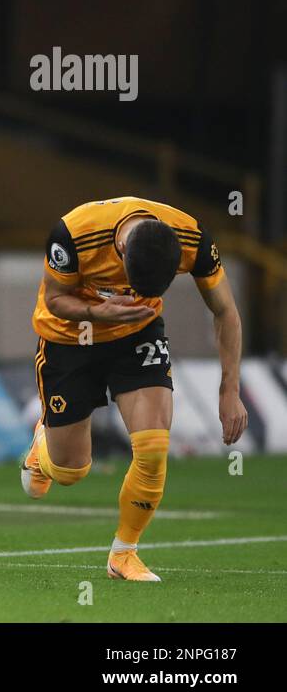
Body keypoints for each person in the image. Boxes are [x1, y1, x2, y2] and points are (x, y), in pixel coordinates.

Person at [23, 196, 248, 581]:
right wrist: (97, 311)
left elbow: (225, 310)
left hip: (137, 333)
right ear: (122, 249)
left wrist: (230, 390)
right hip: (70, 338)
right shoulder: (74, 233)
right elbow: (55, 298)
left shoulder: (191, 238)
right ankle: (43, 444)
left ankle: (123, 553)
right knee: (68, 472)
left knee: (153, 447)